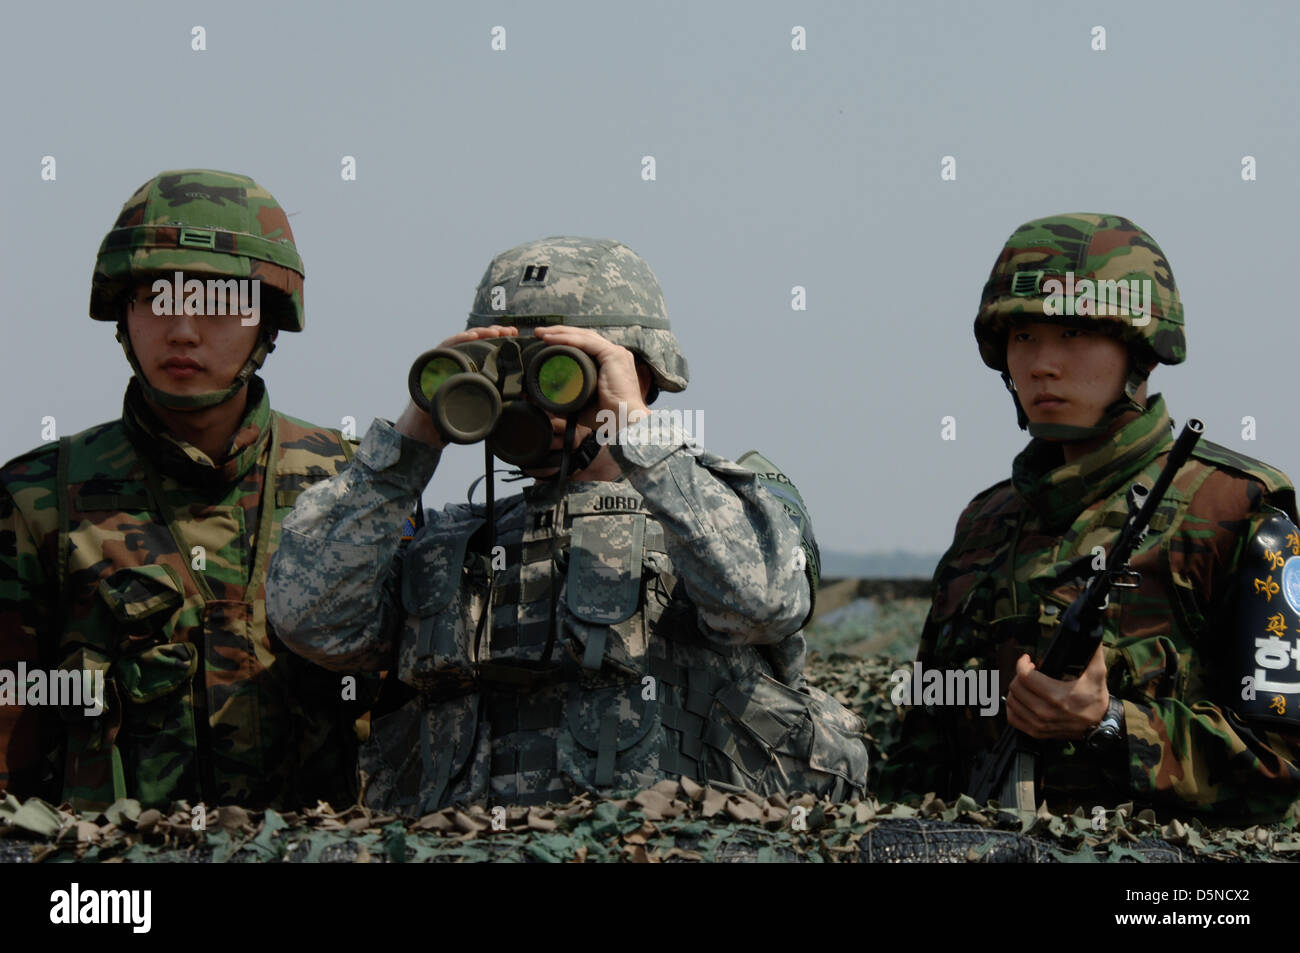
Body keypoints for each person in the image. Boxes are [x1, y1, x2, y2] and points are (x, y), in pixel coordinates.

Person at [267, 235, 868, 812]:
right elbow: (312, 623)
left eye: (559, 374)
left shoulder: (714, 512)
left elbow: (762, 601)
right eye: (511, 373)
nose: (534, 400)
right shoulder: (451, 546)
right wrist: (409, 446)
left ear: (643, 375)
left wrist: (636, 430)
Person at [878, 213, 1300, 821]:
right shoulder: (986, 522)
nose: (1042, 364)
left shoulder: (1235, 508)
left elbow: (1283, 762)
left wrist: (1110, 723)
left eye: (1073, 334)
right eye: (1023, 337)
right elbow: (918, 752)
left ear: (1140, 351)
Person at [0, 169, 371, 811]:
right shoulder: (36, 499)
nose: (183, 332)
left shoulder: (351, 487)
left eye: (219, 304)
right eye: (158, 300)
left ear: (268, 324)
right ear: (124, 314)